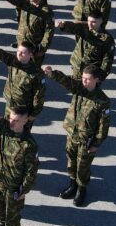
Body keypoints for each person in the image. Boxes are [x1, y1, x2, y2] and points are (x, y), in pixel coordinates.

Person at [43, 63, 111, 206]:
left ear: (96, 80)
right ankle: (72, 184)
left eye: (87, 79)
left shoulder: (102, 100)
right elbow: (67, 82)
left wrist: (96, 144)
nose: (84, 81)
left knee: (83, 166)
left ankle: (81, 188)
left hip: (87, 139)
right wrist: (52, 73)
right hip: (72, 133)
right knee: (71, 161)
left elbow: (103, 126)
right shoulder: (79, 89)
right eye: (83, 78)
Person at [0, 40, 45, 126]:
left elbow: (39, 95)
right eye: (18, 51)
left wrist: (34, 114)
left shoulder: (36, 73)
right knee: (7, 127)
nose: (19, 54)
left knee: (20, 132)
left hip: (23, 109)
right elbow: (3, 54)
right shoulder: (13, 61)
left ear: (30, 54)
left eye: (22, 52)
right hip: (10, 103)